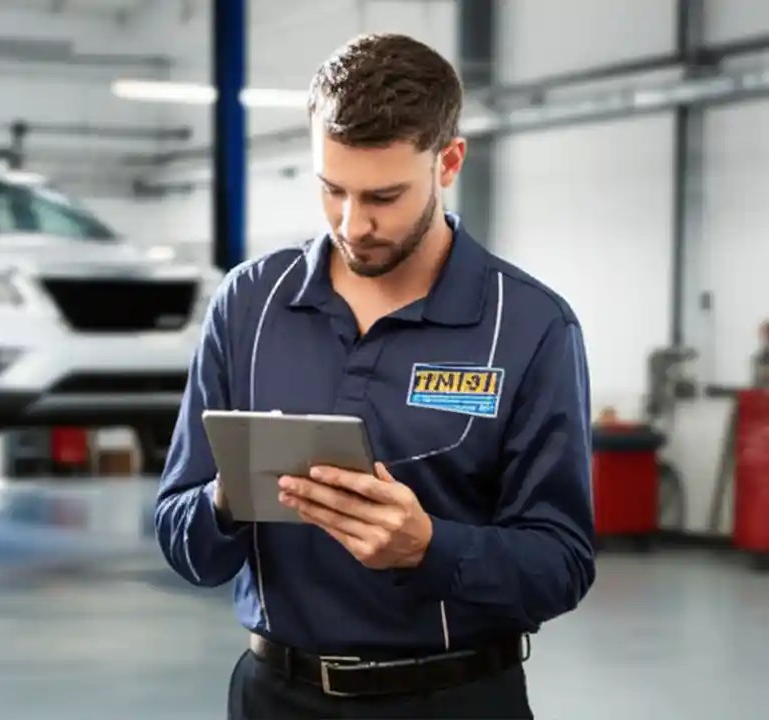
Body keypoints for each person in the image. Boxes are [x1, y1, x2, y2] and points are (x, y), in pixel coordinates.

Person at [154, 33, 596, 719]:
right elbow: (182, 535)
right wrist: (223, 499)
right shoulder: (249, 306)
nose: (352, 224)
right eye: (332, 190)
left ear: (448, 161)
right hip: (273, 697)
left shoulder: (530, 326)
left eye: (384, 196)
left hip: (455, 700)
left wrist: (430, 547)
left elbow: (562, 564)